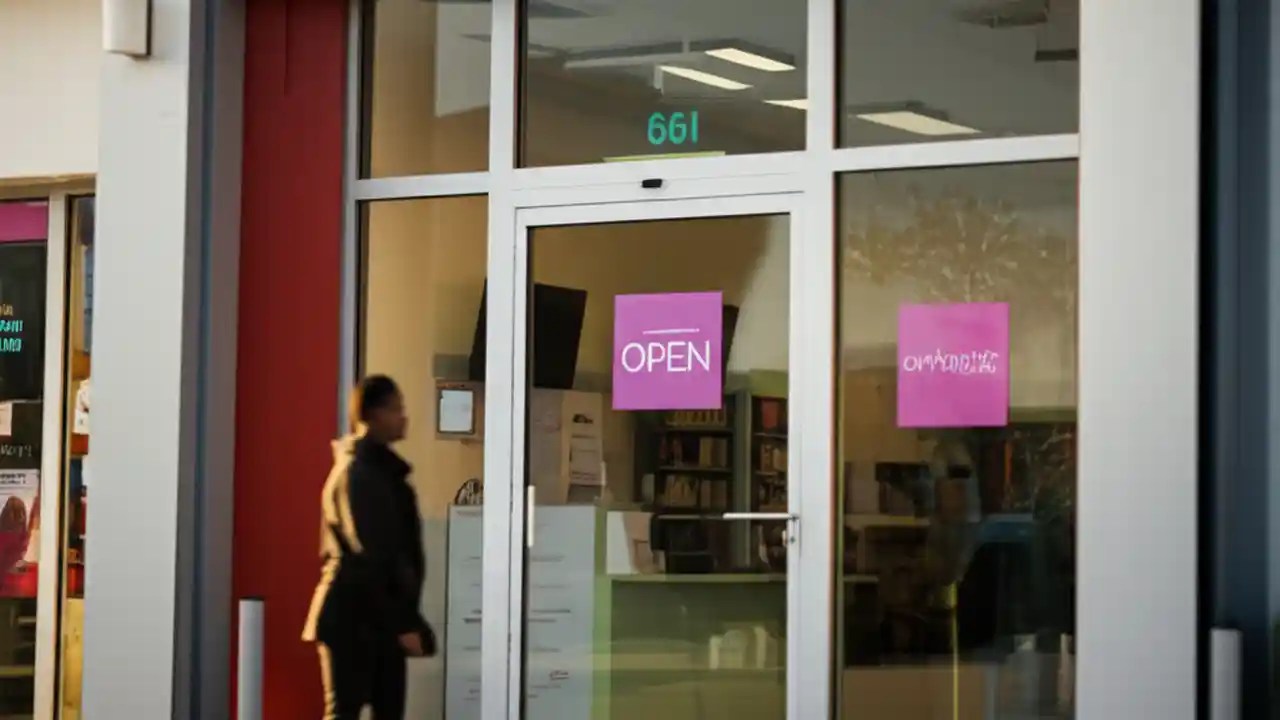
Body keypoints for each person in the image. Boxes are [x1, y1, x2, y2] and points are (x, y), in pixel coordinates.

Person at [302, 375, 432, 720]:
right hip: (353, 618)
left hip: (375, 617)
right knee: (346, 711)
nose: (403, 417)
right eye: (395, 409)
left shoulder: (380, 472)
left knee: (385, 710)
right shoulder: (359, 475)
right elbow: (375, 554)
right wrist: (404, 622)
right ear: (371, 415)